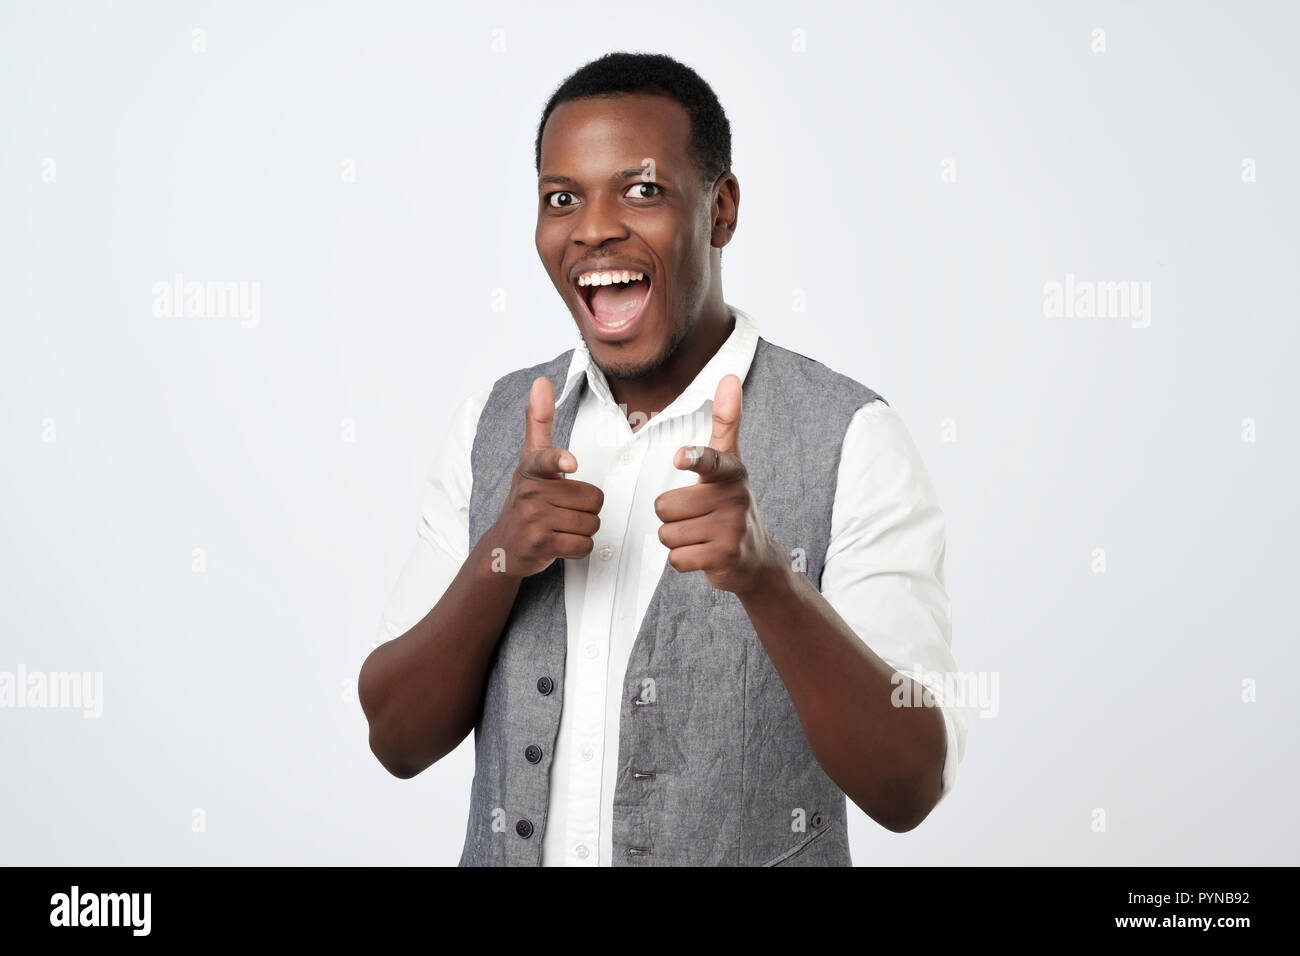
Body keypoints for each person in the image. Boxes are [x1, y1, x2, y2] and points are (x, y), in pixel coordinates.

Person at [359, 51, 966, 866]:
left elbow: (909, 785)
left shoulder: (851, 437)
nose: (594, 225)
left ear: (720, 211)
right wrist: (501, 556)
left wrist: (766, 579)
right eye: (560, 198)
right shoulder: (495, 423)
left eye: (641, 190)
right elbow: (396, 738)